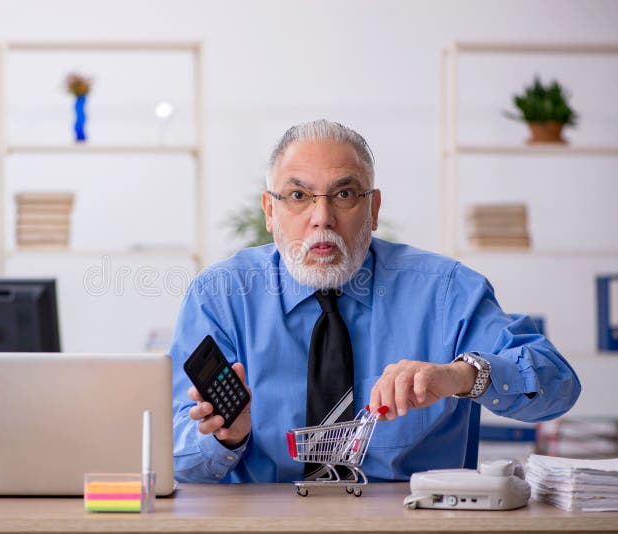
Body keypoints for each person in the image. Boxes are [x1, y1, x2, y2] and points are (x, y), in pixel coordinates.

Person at [170, 119, 580, 483]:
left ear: (374, 207)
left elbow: (558, 386)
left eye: (344, 193)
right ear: (269, 211)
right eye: (298, 196)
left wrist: (460, 376)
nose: (322, 217)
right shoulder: (221, 296)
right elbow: (175, 454)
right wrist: (228, 436)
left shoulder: (446, 290)